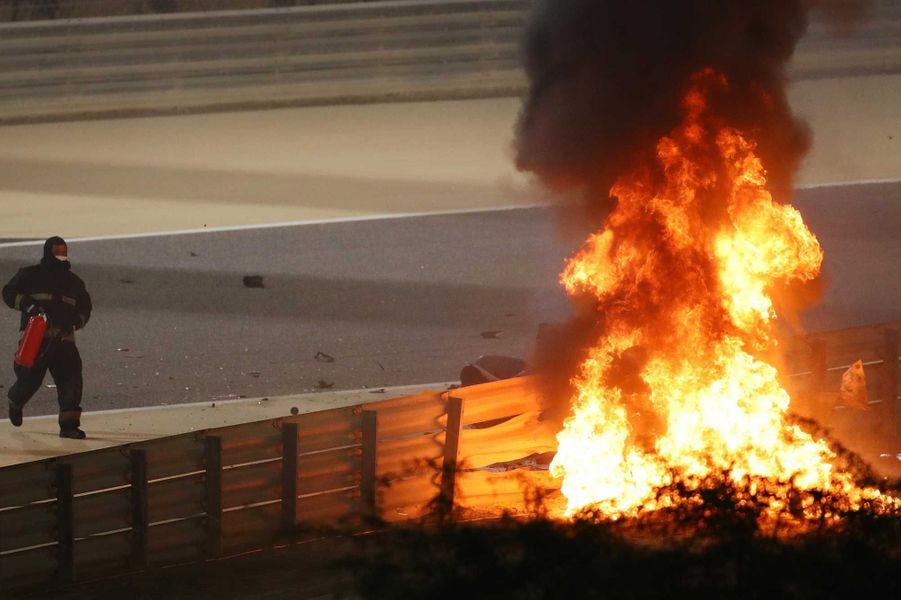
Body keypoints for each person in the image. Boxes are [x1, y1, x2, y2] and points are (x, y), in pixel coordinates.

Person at [2, 237, 92, 438]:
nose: (61, 255)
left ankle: (69, 426)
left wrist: (76, 322)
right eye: (57, 251)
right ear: (48, 251)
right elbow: (9, 292)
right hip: (36, 340)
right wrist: (28, 305)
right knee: (29, 381)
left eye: (64, 251)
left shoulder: (74, 282)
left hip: (64, 341)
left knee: (71, 381)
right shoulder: (29, 275)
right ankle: (16, 400)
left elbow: (85, 308)